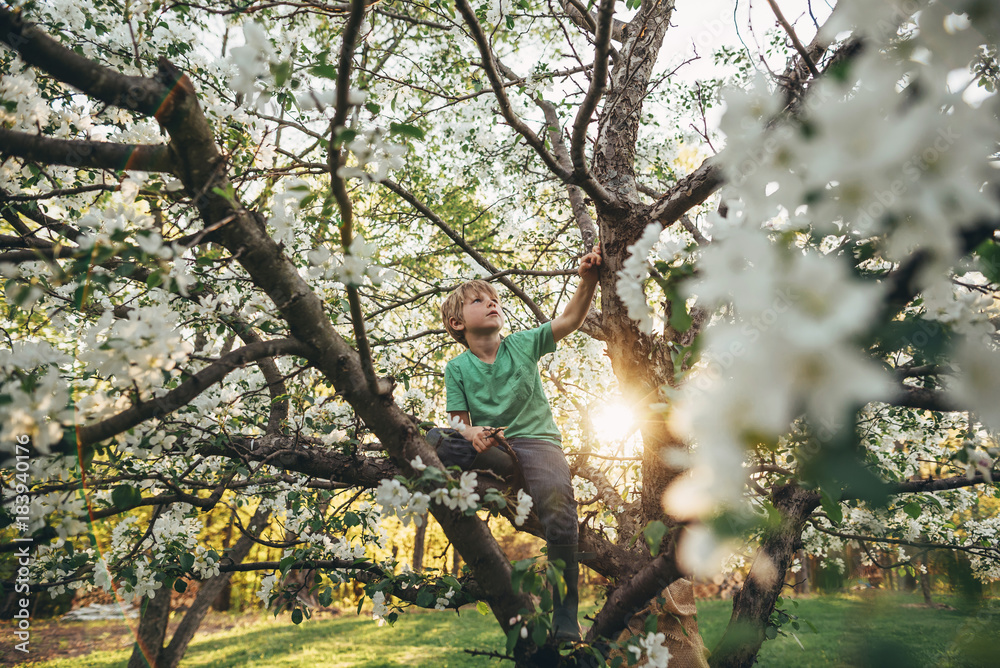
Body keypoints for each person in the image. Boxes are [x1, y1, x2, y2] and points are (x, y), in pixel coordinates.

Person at [426, 246, 602, 642]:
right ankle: (475, 479)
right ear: (457, 322)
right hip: (496, 449)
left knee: (559, 512)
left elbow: (571, 319)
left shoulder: (522, 344)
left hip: (539, 444)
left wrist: (588, 280)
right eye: (478, 301)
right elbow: (460, 422)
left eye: (495, 300)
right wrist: (472, 433)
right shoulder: (457, 368)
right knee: (438, 439)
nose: (491, 303)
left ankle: (565, 619)